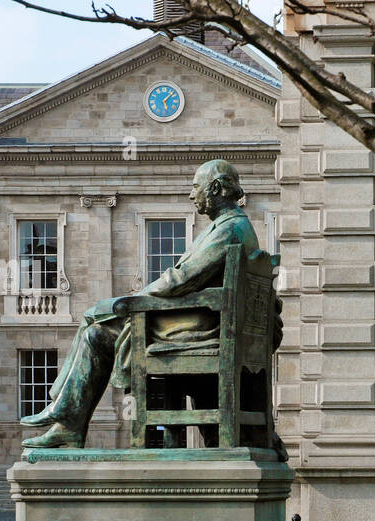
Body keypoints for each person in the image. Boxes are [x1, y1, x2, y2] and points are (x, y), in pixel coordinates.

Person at [20, 159, 279, 449]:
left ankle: (66, 421)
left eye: (196, 187)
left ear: (215, 188)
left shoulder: (230, 229)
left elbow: (181, 279)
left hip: (197, 328)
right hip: (203, 321)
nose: (191, 195)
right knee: (94, 324)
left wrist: (132, 299)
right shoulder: (233, 226)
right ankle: (65, 417)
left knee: (96, 330)